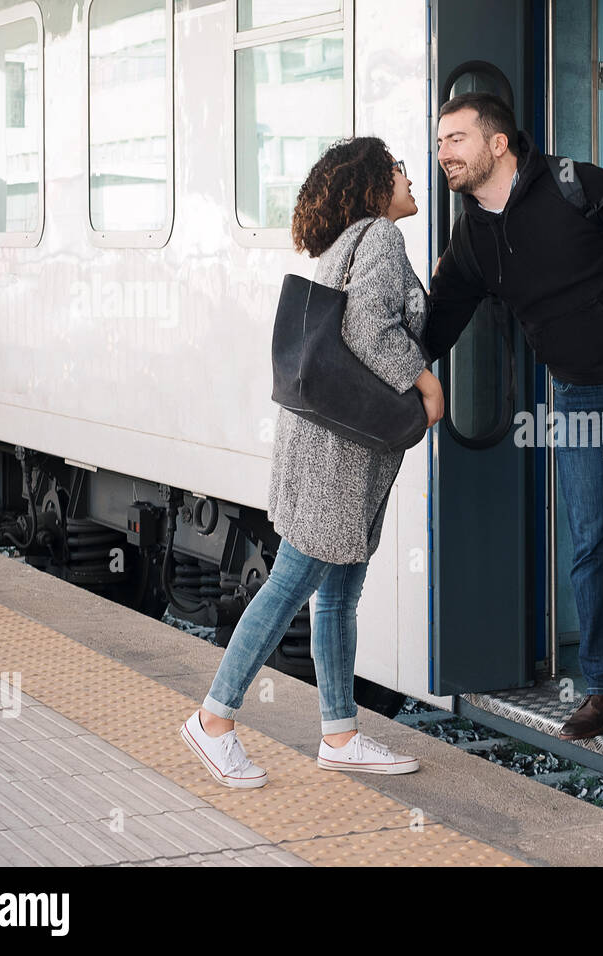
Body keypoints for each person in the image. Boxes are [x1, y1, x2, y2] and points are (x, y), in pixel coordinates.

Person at [180, 137, 443, 787]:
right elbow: (367, 329)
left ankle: (340, 733)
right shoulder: (380, 236)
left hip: (328, 447)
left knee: (337, 595)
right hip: (337, 460)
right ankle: (213, 721)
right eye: (401, 167)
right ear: (377, 183)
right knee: (292, 584)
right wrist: (426, 385)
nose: (412, 176)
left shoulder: (349, 239)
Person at [425, 92, 603, 741]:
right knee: (591, 548)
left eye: (456, 139)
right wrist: (387, 373)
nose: (444, 152)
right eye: (440, 141)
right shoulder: (471, 236)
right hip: (580, 395)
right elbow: (439, 320)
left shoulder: (570, 184)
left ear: (497, 144)